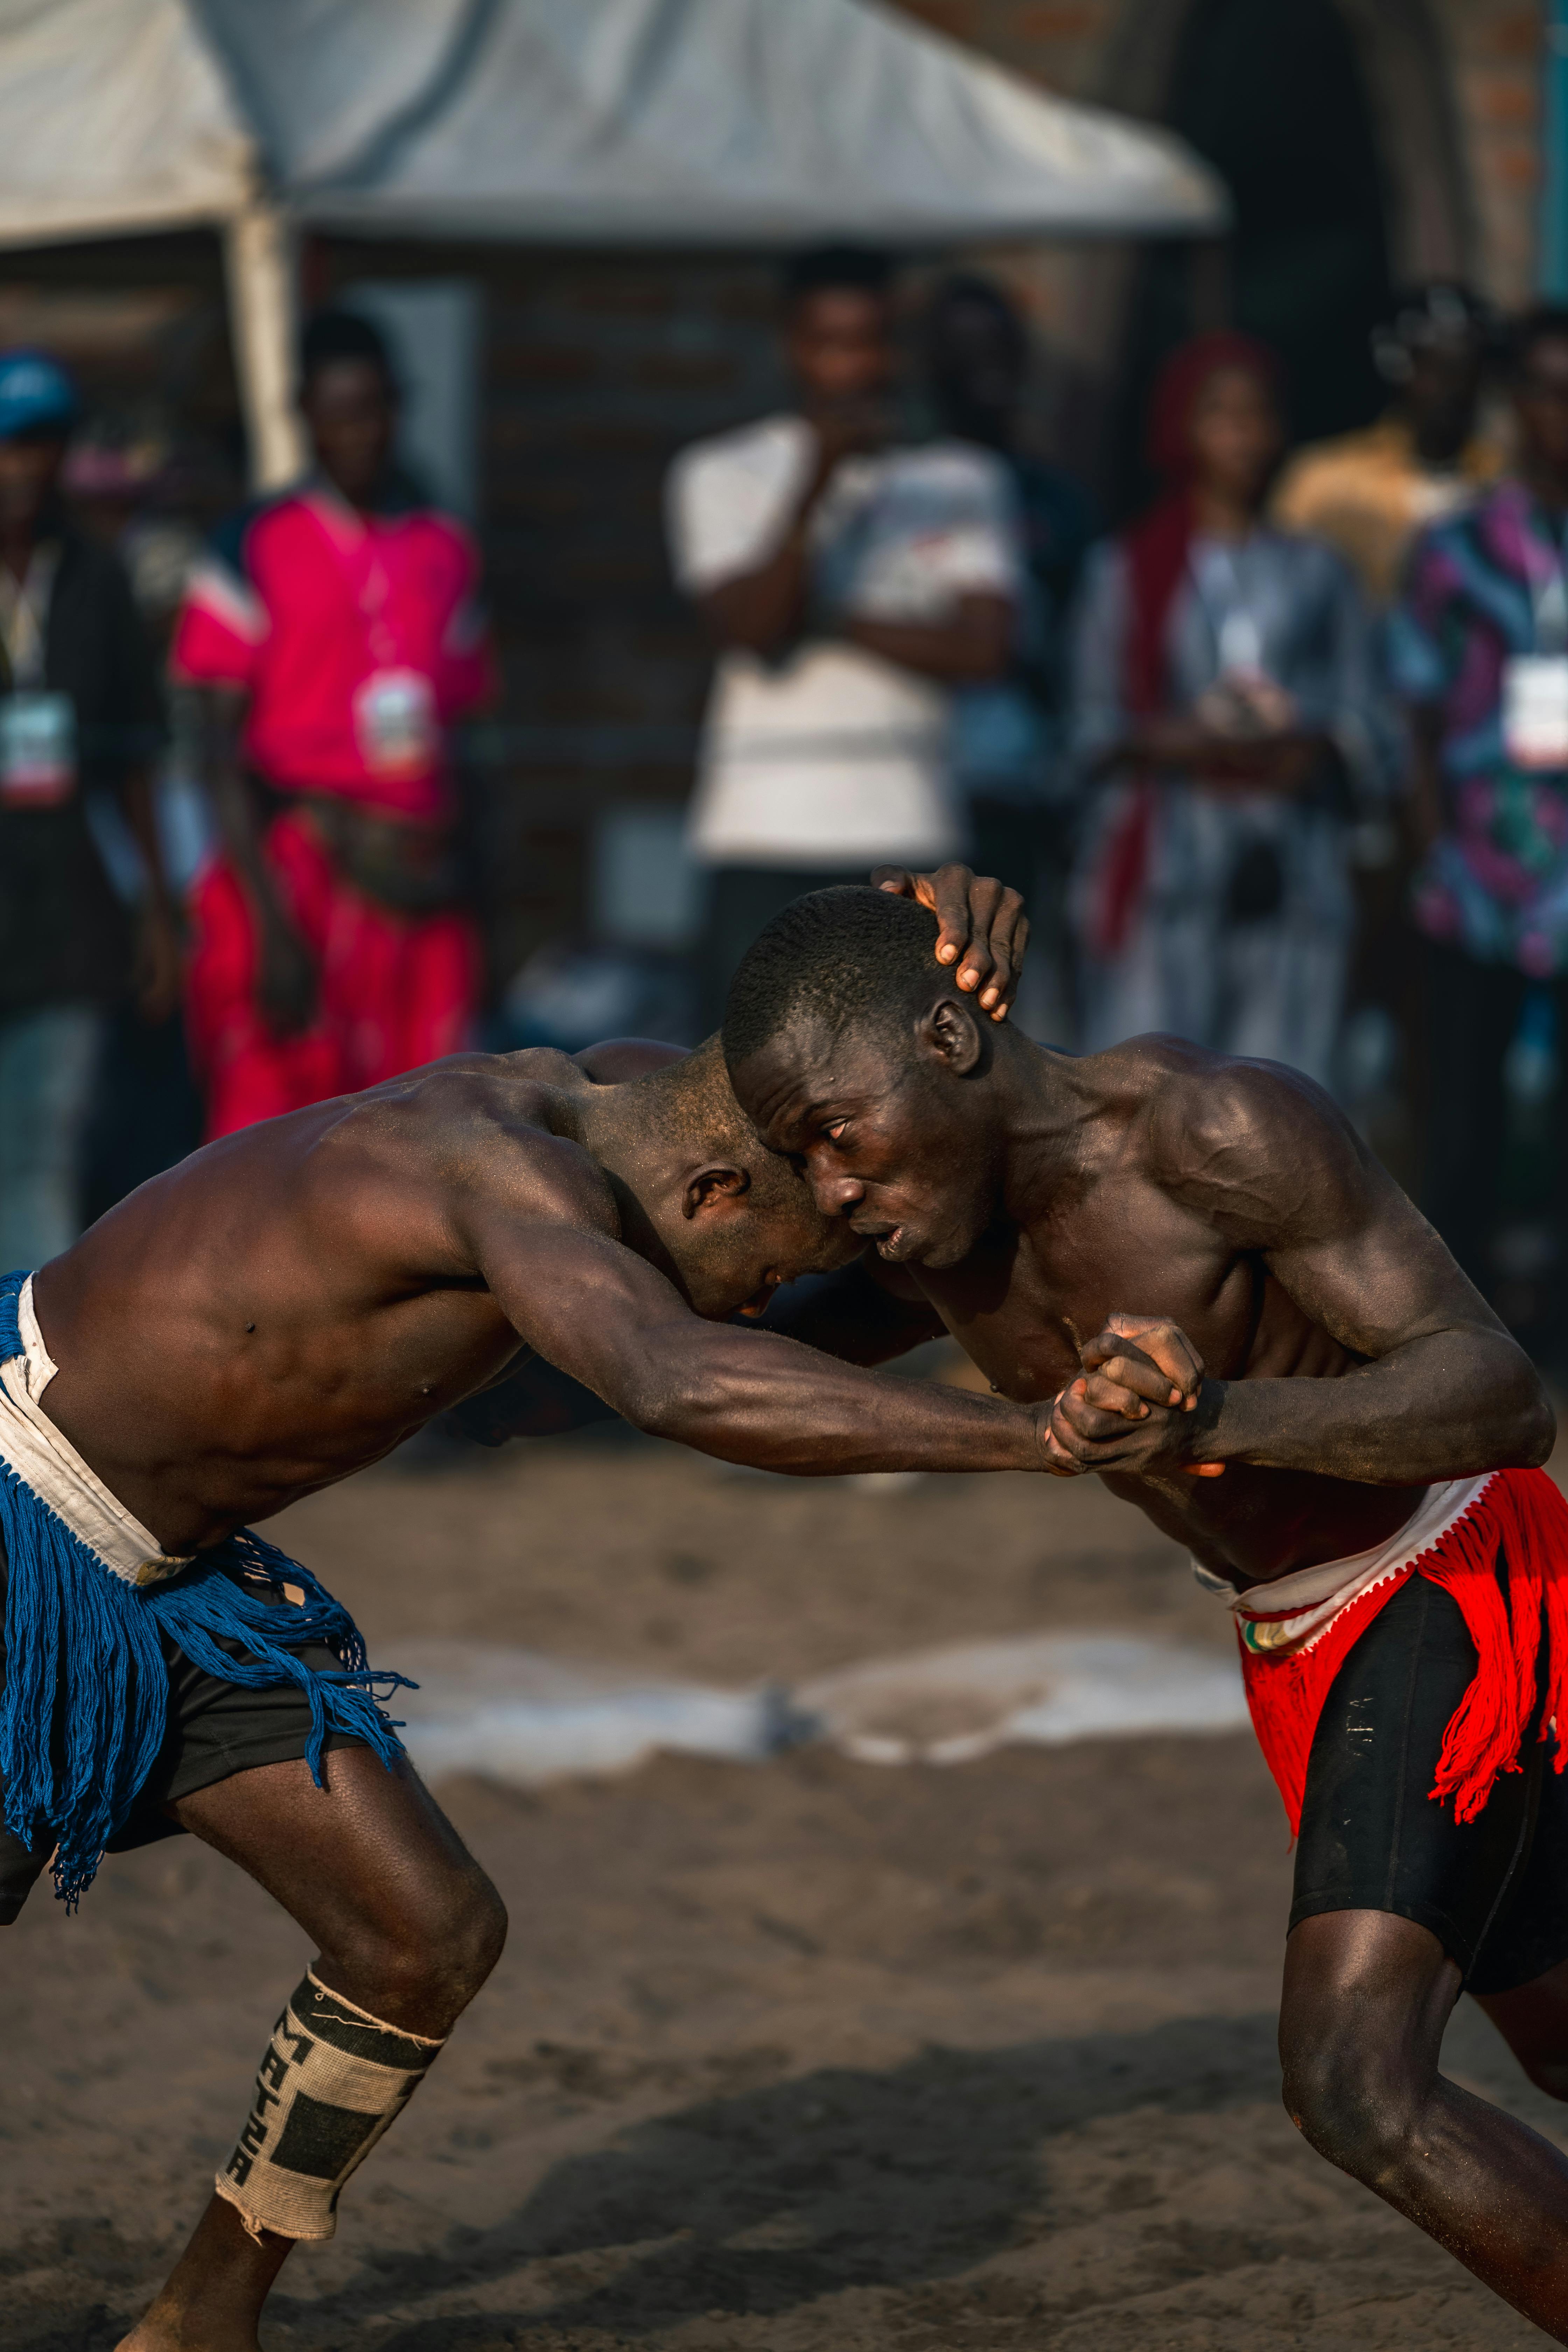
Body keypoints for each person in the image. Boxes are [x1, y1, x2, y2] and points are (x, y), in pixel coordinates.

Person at [0, 870, 1030, 2352]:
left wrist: (954, 951)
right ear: (723, 1191)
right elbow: (677, 1379)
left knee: (420, 1931)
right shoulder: (494, 1175)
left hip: (169, 1567)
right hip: (22, 1509)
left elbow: (802, 1027)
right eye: (765, 1272)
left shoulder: (637, 1099)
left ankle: (197, 2320)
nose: (754, 1307)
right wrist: (1044, 1437)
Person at [722, 881, 1568, 2342]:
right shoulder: (926, 1241)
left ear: (949, 1037)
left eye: (836, 1135)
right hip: (1294, 1646)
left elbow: (1498, 1395)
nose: (832, 1190)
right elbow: (708, 1322)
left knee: (1356, 2086)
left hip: (1445, 1582)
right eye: (801, 1156)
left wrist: (1221, 1415)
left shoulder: (1210, 1133)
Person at [666, 244, 1020, 1027]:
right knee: (746, 1086)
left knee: (914, 1098)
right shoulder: (721, 473)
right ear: (791, 345)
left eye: (870, 341)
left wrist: (830, 618)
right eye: (831, 343)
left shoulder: (961, 481)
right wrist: (816, 480)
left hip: (912, 831)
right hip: (759, 829)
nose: (854, 366)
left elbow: (984, 651)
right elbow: (755, 629)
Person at [171, 309, 494, 1140]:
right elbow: (216, 748)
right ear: (304, 414)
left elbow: (471, 734)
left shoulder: (441, 544)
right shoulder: (252, 545)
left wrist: (478, 882)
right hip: (295, 873)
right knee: (277, 1142)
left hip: (415, 885)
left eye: (377, 410)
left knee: (419, 1136)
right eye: (340, 413)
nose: (361, 433)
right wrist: (269, 923)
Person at [1068, 332, 1386, 1087]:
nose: (1242, 435)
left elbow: (1367, 715)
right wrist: (1174, 739)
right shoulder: (1124, 572)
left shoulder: (1317, 572)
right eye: (1219, 414)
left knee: (1279, 1096)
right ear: (1180, 427)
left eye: (1258, 414)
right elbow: (1086, 728)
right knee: (1150, 1089)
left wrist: (1313, 743)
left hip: (1291, 869)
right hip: (1169, 870)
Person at [1385, 304, 1568, 1369]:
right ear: (1513, 402)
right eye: (1545, 390)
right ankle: (1450, 1337)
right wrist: (1423, 849)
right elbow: (1405, 704)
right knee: (1461, 1113)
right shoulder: (1453, 548)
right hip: (1473, 875)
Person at [0, 347, 180, 1270]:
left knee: (43, 1155)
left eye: (40, 447)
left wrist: (156, 908)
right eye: (8, 447)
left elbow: (137, 759)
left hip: (70, 913)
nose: (23, 469)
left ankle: (19, 1372)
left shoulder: (96, 579)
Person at [925, 272, 1096, 1037]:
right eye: (961, 354)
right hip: (918, 783)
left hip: (1022, 787)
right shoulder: (900, 489)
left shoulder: (1055, 503)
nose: (982, 372)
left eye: (998, 353)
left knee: (1004, 1002)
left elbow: (1084, 650)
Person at [1273, 283, 1497, 608]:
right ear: (1398, 367)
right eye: (1436, 370)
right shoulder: (1323, 482)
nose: (1455, 390)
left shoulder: (1502, 480)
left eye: (1468, 372)